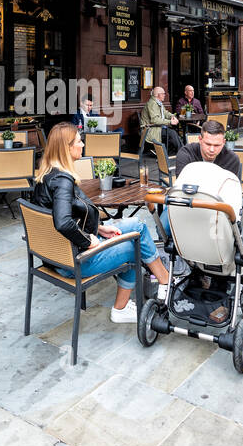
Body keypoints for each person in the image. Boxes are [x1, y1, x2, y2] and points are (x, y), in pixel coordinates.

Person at [31, 122, 170, 324]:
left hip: (58, 255)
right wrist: (88, 241)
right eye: (78, 141)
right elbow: (62, 223)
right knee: (134, 247)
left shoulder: (47, 175)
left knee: (137, 225)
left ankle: (164, 281)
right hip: (73, 261)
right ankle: (121, 309)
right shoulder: (62, 181)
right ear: (67, 148)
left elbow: (63, 216)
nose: (82, 144)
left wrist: (99, 228)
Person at [141, 86, 181, 155]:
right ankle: (181, 151)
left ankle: (181, 150)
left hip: (158, 128)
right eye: (163, 93)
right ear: (157, 95)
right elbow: (155, 120)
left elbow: (165, 112)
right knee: (172, 133)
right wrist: (170, 122)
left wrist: (172, 116)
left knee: (173, 133)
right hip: (151, 130)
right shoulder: (152, 104)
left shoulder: (158, 102)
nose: (164, 95)